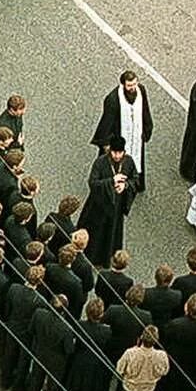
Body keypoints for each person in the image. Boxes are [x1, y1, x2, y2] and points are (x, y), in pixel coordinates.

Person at [76, 136, 138, 267]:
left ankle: (107, 259)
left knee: (111, 233)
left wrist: (125, 186)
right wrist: (111, 181)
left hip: (117, 206)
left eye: (120, 153)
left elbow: (135, 179)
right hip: (99, 206)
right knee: (97, 232)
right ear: (110, 150)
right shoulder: (100, 162)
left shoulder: (128, 162)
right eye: (114, 152)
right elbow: (93, 183)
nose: (117, 156)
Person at [90, 72, 154, 195]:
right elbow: (107, 122)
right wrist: (106, 143)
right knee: (117, 162)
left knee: (135, 158)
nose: (133, 88)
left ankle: (133, 183)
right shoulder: (113, 99)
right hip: (120, 135)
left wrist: (147, 128)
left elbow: (145, 110)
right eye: (129, 85)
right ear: (123, 84)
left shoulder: (141, 90)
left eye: (135, 84)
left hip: (135, 134)